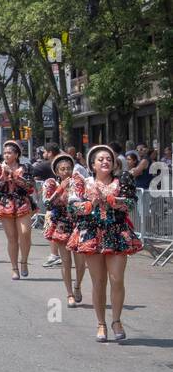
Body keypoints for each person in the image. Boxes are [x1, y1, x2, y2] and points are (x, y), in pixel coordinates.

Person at [66, 144, 142, 342]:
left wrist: (112, 200)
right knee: (98, 281)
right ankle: (101, 323)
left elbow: (131, 202)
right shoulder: (82, 182)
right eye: (100, 159)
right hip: (92, 233)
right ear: (92, 164)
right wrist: (91, 203)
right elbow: (73, 206)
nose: (105, 161)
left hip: (116, 232)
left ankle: (116, 320)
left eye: (109, 158)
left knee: (117, 279)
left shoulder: (122, 180)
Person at [42, 152, 86, 307]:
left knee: (81, 262)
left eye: (68, 168)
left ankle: (78, 286)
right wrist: (61, 188)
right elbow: (47, 203)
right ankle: (69, 294)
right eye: (62, 169)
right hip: (61, 224)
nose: (66, 171)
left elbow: (83, 200)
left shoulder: (79, 182)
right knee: (66, 262)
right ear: (57, 171)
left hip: (79, 224)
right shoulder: (51, 184)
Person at [0, 140, 37, 278]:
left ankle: (24, 261)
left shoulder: (26, 167)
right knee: (11, 237)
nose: (6, 155)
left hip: (22, 201)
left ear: (16, 154)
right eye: (4, 153)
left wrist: (14, 174)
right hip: (6, 202)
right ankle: (14, 267)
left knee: (25, 232)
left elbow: (30, 186)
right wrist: (3, 177)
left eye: (9, 153)